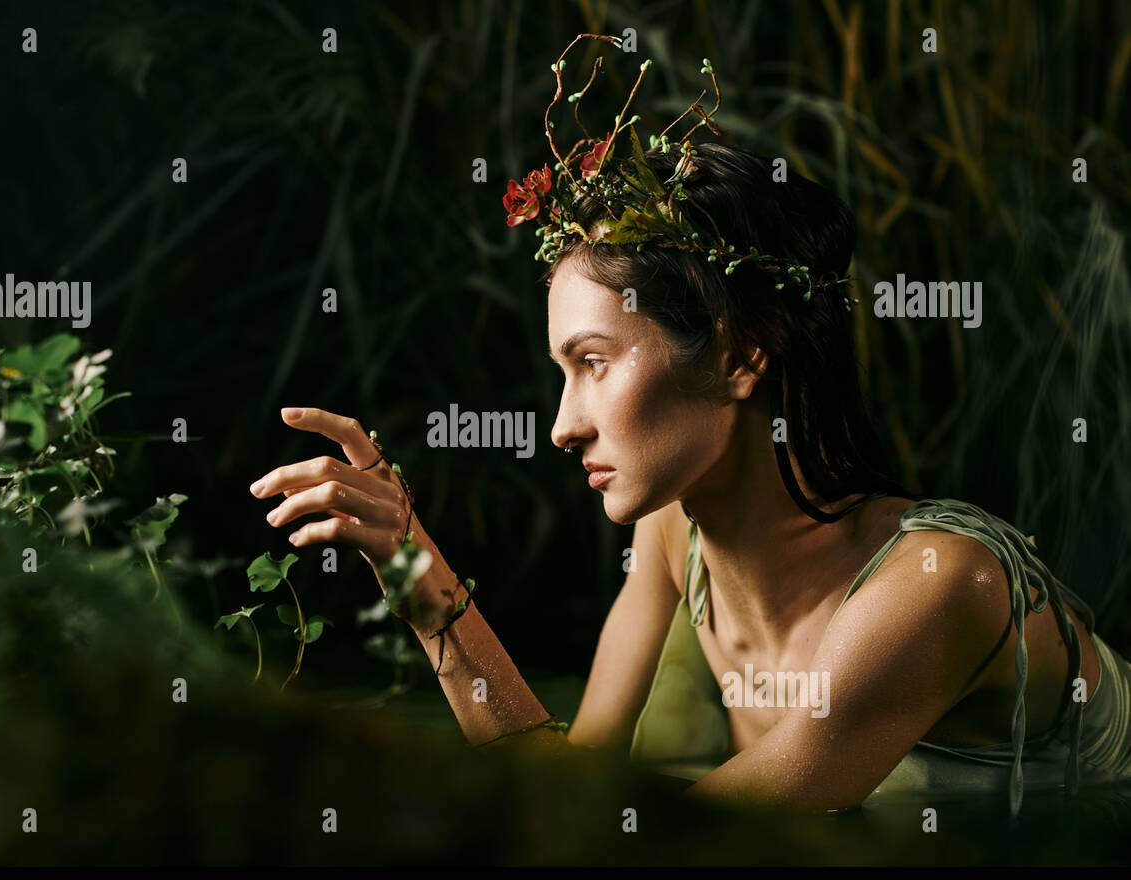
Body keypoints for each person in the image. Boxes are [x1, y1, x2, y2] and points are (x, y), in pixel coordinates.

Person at [248, 43, 1131, 818]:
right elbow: (571, 799)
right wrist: (417, 575)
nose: (560, 427)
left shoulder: (939, 586)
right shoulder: (676, 537)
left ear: (741, 356)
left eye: (593, 361)